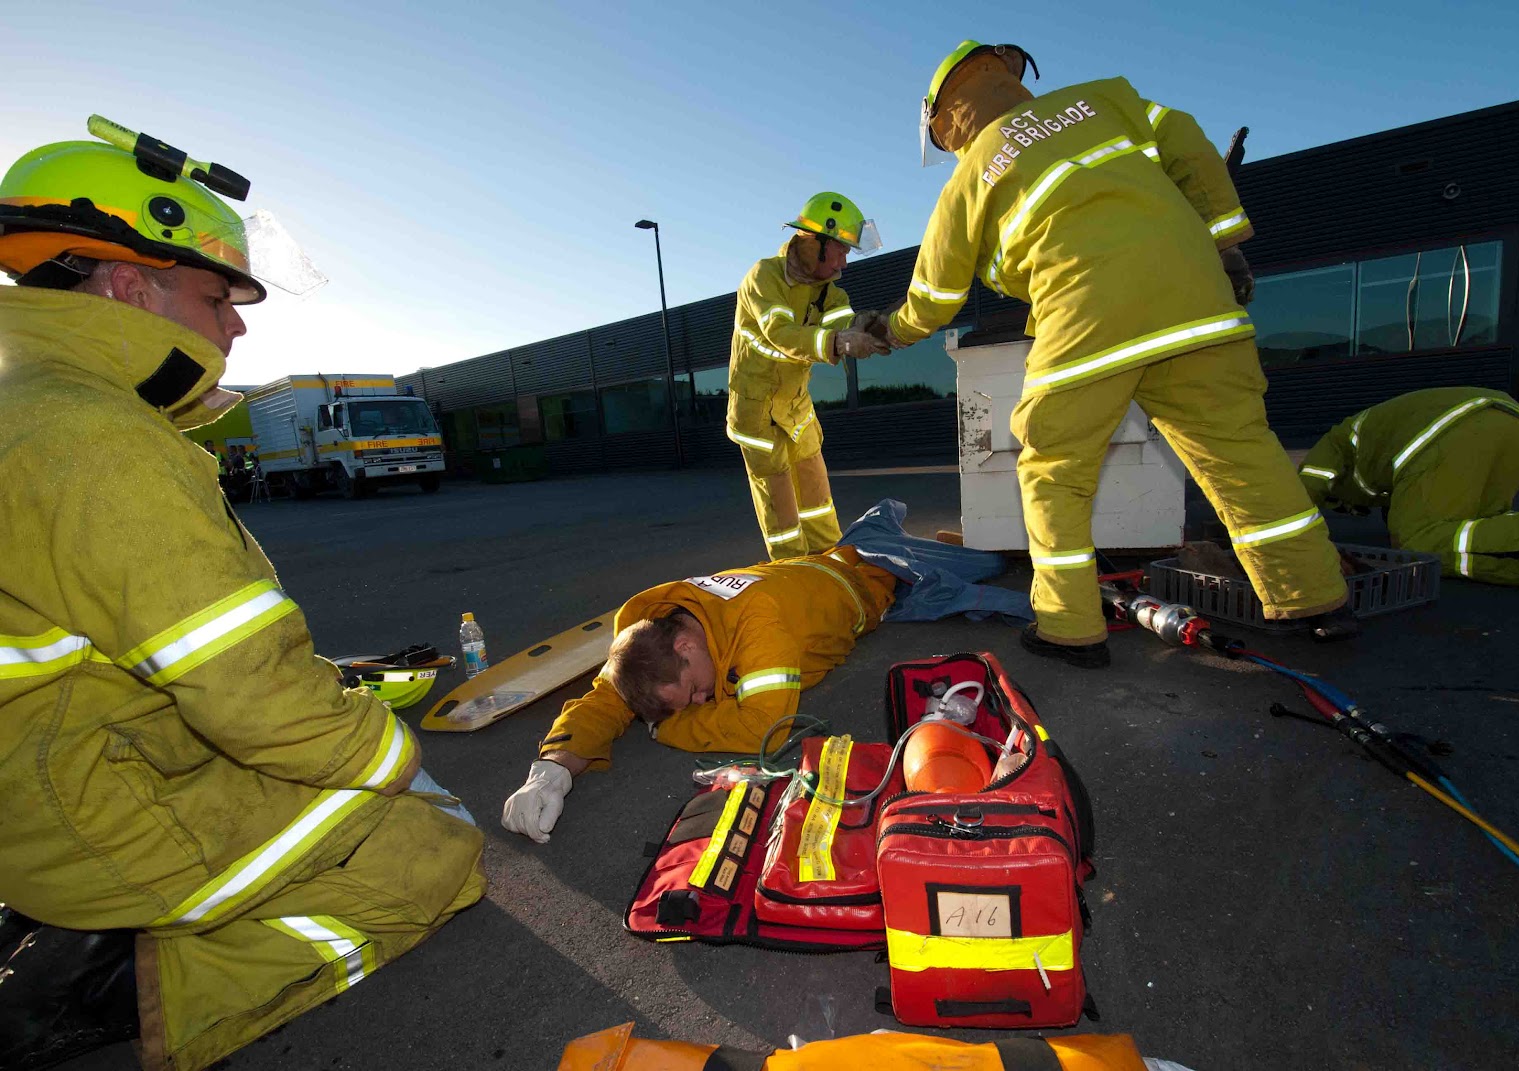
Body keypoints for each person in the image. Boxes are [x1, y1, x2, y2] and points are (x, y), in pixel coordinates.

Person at [0, 119, 484, 1071]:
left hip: (59, 773)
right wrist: (390, 756)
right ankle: (111, 981)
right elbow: (249, 694)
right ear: (131, 287)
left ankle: (83, 918)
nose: (237, 325)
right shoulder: (95, 439)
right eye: (218, 296)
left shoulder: (35, 406)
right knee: (434, 849)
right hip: (104, 801)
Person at [876, 41, 1355, 668]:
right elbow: (1189, 145)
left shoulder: (969, 180)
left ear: (946, 121)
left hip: (1086, 319)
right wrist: (1225, 242)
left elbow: (934, 298)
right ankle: (1311, 598)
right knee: (1239, 449)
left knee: (1055, 469)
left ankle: (1069, 629)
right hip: (1196, 303)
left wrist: (889, 332)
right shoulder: (1107, 100)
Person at [502, 545, 898, 844]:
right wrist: (552, 771)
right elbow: (604, 701)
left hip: (853, 587)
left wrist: (669, 726)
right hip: (789, 570)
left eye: (692, 691)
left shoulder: (758, 626)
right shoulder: (651, 638)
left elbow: (765, 728)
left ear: (686, 648)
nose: (697, 702)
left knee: (891, 566)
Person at [1297, 387, 1519, 588]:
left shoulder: (1332, 444)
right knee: (1482, 530)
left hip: (1448, 432)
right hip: (1513, 425)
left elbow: (1297, 498)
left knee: (1417, 545)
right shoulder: (1373, 444)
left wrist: (1296, 544)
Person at [727, 193, 890, 559]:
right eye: (842, 251)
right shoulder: (765, 277)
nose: (845, 264)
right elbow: (780, 334)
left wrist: (864, 327)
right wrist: (839, 341)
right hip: (758, 416)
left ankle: (834, 568)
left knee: (817, 498)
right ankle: (796, 579)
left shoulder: (828, 292)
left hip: (797, 408)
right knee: (782, 511)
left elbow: (841, 324)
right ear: (817, 243)